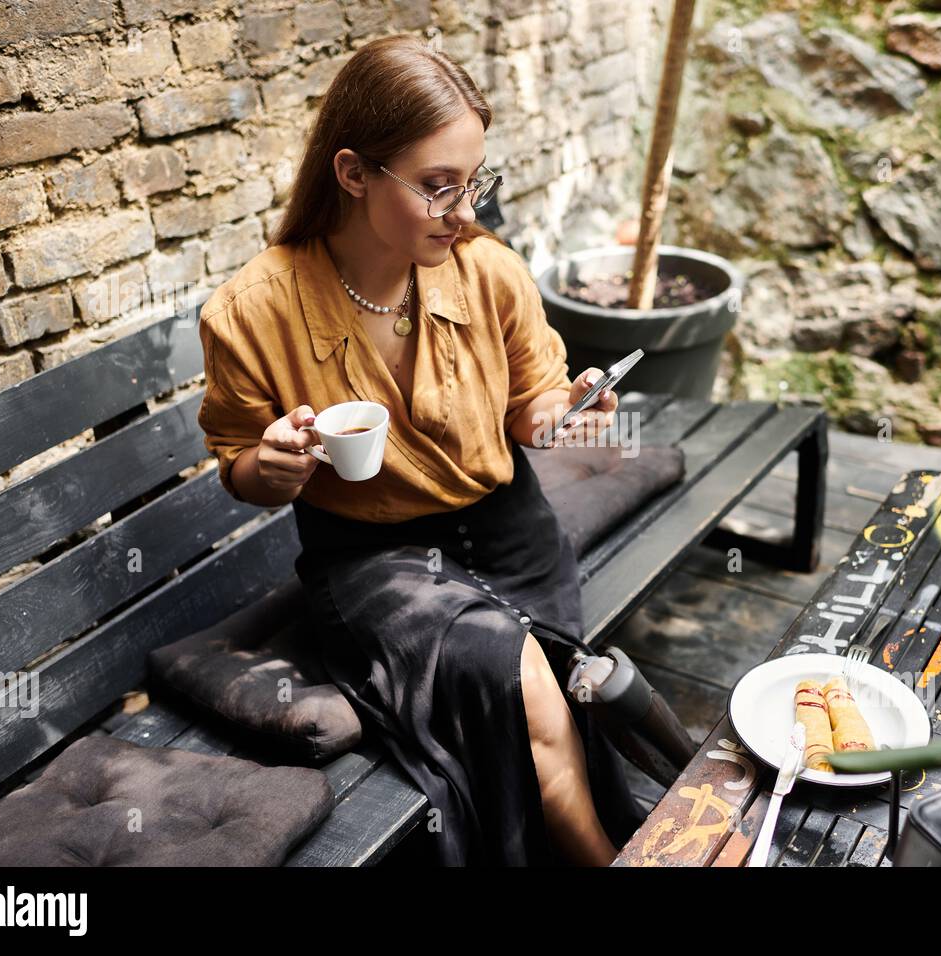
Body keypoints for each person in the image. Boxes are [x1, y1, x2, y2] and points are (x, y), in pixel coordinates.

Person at [194, 33, 648, 866]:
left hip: (511, 532)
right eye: (438, 187)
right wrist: (276, 466)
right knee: (528, 689)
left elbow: (528, 411)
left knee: (552, 683)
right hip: (374, 560)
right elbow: (242, 466)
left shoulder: (490, 273)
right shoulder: (253, 310)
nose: (466, 211)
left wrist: (567, 413)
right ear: (353, 173)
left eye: (474, 181)